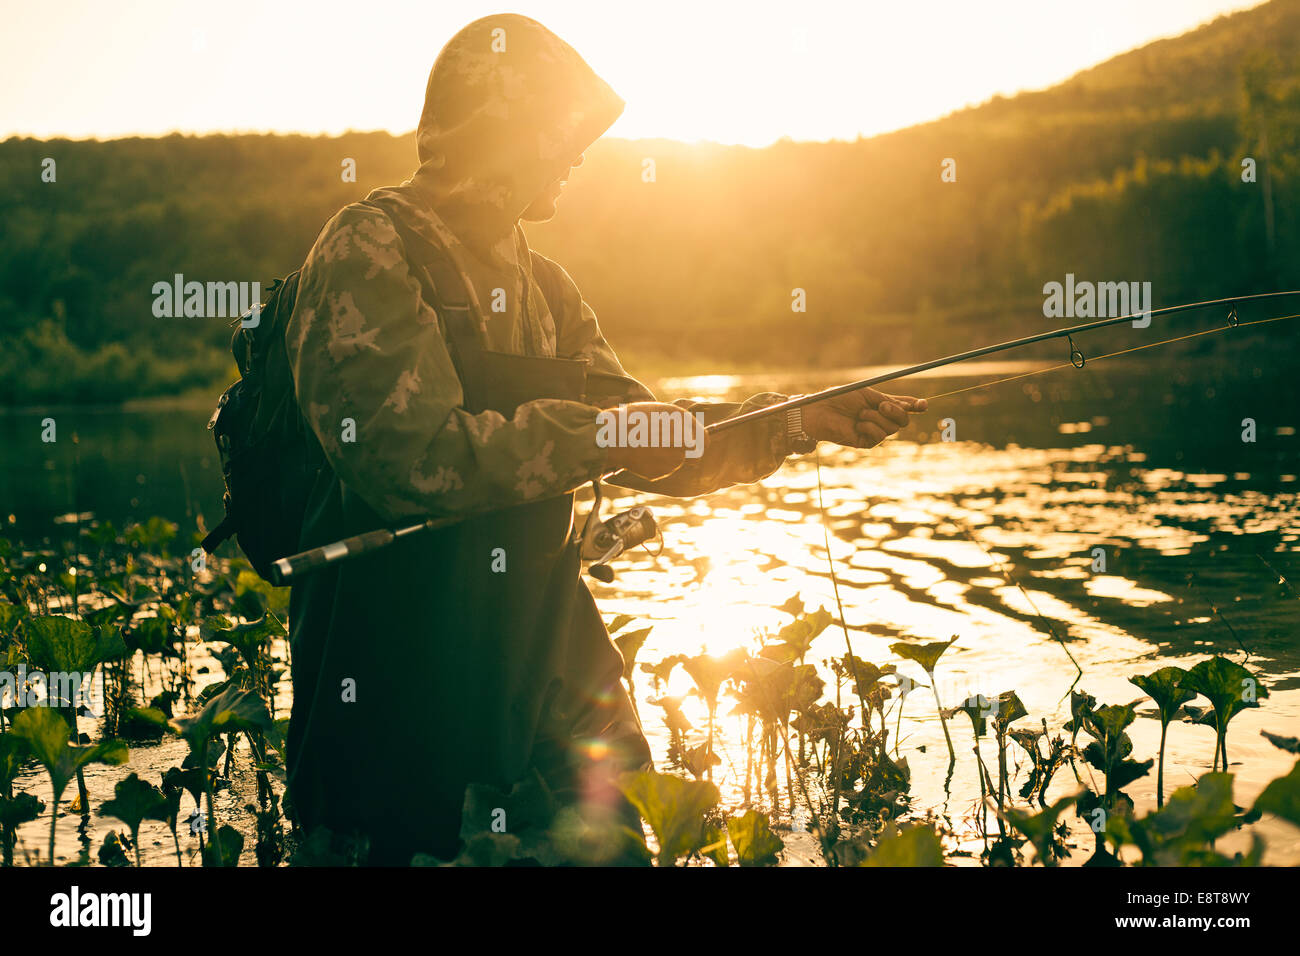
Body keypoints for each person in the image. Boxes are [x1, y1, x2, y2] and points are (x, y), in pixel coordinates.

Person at [282, 13, 926, 865]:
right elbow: (406, 462)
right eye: (566, 134)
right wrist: (595, 433)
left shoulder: (546, 285)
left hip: (545, 662)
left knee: (617, 843)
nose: (579, 155)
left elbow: (643, 435)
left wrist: (799, 419)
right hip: (399, 678)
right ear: (503, 132)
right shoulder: (368, 246)